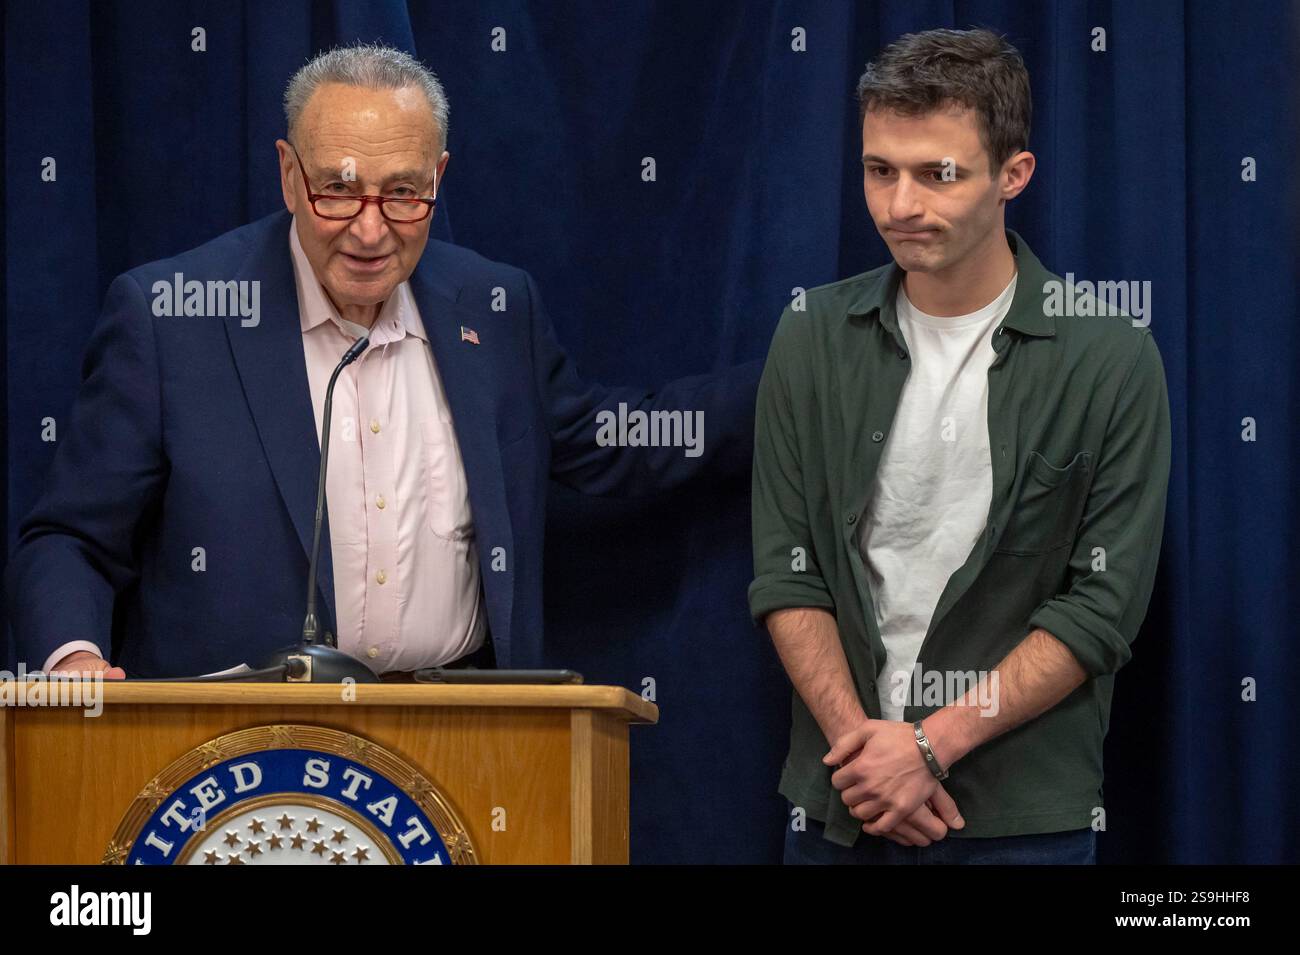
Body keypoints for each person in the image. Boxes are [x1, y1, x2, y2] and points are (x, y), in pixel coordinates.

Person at [5, 43, 758, 680]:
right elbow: (72, 538)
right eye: (338, 189)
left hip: (458, 742)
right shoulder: (170, 317)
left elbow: (604, 446)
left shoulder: (494, 307)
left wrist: (792, 383)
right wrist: (72, 658)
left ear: (439, 178)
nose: (370, 230)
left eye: (402, 194)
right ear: (289, 175)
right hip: (243, 756)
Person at [748, 28, 1170, 863]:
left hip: (1020, 818)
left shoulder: (1111, 354)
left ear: (1013, 175)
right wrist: (869, 759)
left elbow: (1100, 609)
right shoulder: (810, 334)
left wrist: (930, 746)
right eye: (880, 171)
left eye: (938, 173)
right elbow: (785, 573)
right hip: (844, 803)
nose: (900, 205)